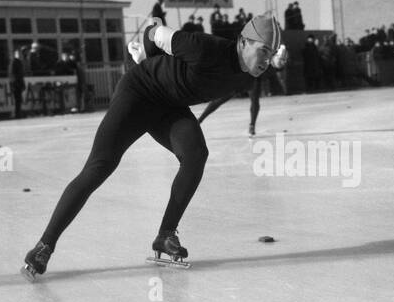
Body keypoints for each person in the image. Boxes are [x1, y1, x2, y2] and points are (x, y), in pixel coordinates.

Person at [22, 14, 289, 276]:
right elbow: (153, 32)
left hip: (170, 107)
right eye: (264, 50)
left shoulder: (248, 74)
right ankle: (44, 246)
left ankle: (165, 234)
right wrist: (145, 58)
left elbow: (215, 89)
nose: (267, 59)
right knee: (100, 166)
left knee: (196, 155)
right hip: (139, 93)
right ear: (243, 42)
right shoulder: (205, 48)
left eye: (272, 52)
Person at [9, 49, 26, 118]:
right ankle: (17, 113)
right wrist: (15, 83)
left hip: (17, 83)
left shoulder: (17, 62)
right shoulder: (15, 62)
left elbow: (20, 74)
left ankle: (18, 112)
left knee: (18, 99)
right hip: (16, 83)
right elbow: (15, 74)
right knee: (17, 99)